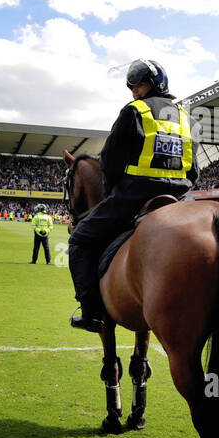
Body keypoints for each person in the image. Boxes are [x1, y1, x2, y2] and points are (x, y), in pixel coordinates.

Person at [68, 58, 198, 332]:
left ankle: (91, 312)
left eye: (138, 85)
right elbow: (194, 168)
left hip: (135, 195)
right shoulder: (186, 116)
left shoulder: (134, 111)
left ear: (153, 84)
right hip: (183, 198)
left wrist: (113, 189)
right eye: (132, 87)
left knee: (79, 239)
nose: (134, 91)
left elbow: (110, 162)